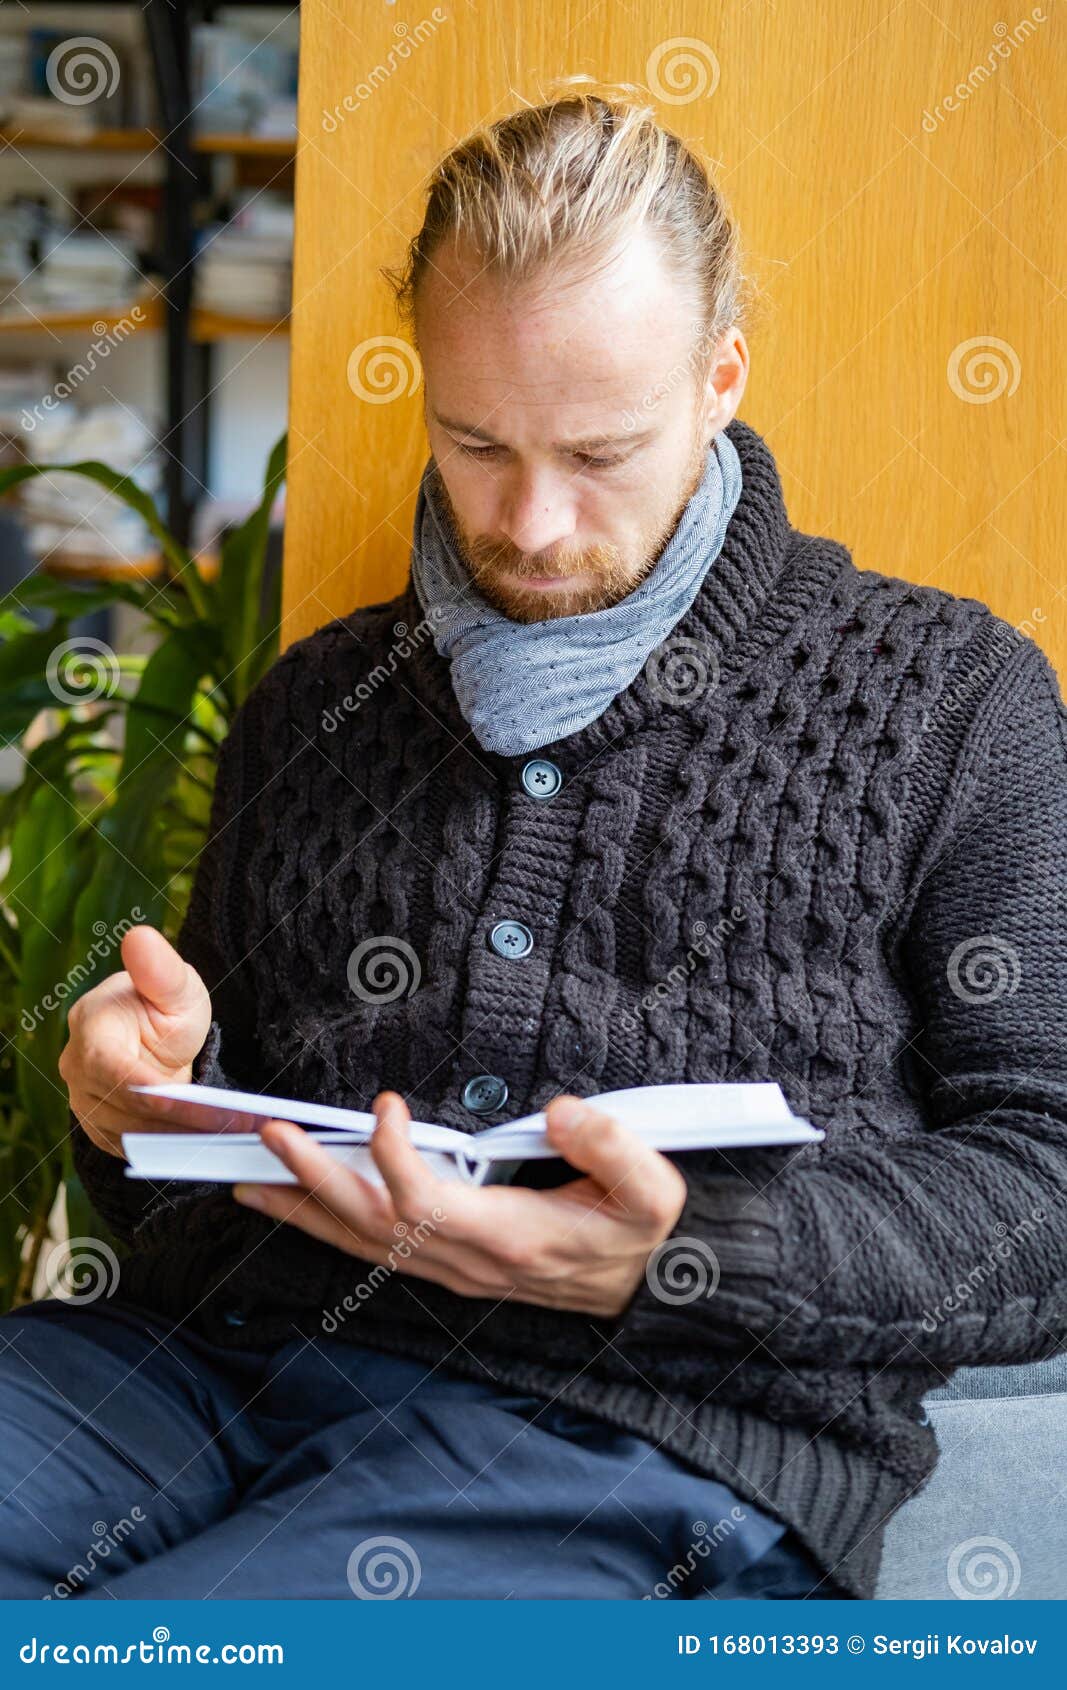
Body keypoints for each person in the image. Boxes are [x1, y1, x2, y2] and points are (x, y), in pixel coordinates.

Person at [3, 82, 1065, 1603]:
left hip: (641, 1439)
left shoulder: (951, 695)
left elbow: (1048, 1189)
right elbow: (187, 1205)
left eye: (604, 451)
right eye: (476, 440)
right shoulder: (317, 701)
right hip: (201, 1378)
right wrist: (133, 1109)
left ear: (721, 379)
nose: (537, 523)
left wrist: (680, 1253)